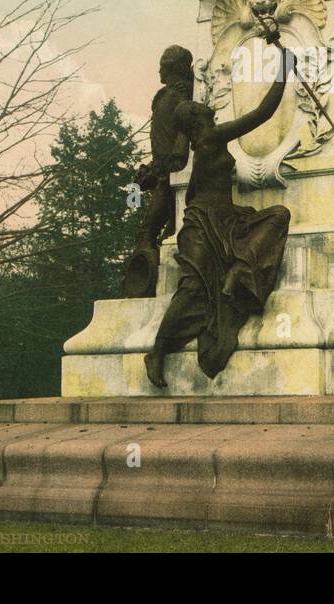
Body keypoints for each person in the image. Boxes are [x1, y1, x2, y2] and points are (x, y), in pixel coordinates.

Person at [144, 32, 296, 386]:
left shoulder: (204, 143)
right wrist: (284, 69)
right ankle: (158, 351)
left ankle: (239, 275)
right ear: (195, 121)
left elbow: (196, 189)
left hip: (222, 218)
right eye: (200, 108)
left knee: (277, 216)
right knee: (192, 290)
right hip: (203, 224)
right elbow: (262, 112)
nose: (206, 104)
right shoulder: (212, 137)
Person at [121, 46, 193, 297]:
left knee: (153, 229)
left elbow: (185, 130)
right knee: (151, 231)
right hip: (162, 172)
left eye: (164, 64)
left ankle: (159, 283)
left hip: (174, 174)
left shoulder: (184, 96)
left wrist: (176, 159)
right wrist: (152, 168)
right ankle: (152, 282)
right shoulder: (164, 96)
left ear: (174, 68)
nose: (159, 69)